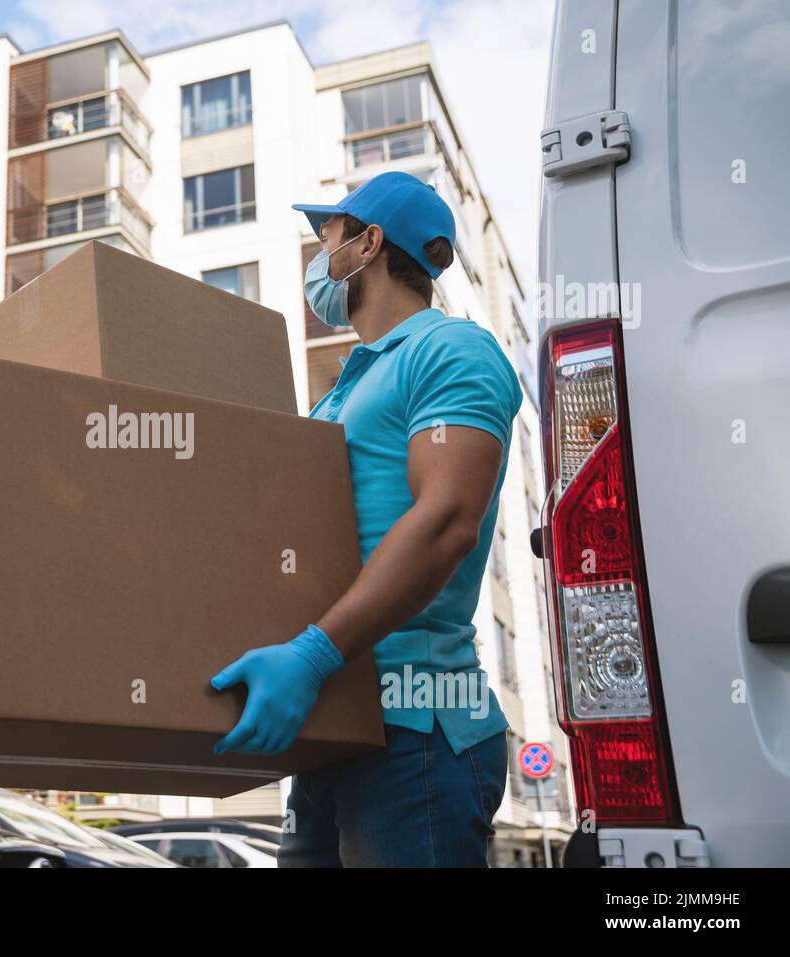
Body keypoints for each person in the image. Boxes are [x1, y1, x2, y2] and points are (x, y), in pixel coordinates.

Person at [209, 171, 522, 867]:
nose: (318, 265)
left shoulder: (452, 351)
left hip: (415, 727)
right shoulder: (341, 392)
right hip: (328, 721)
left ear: (369, 243)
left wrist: (312, 653)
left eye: (328, 243)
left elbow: (446, 521)